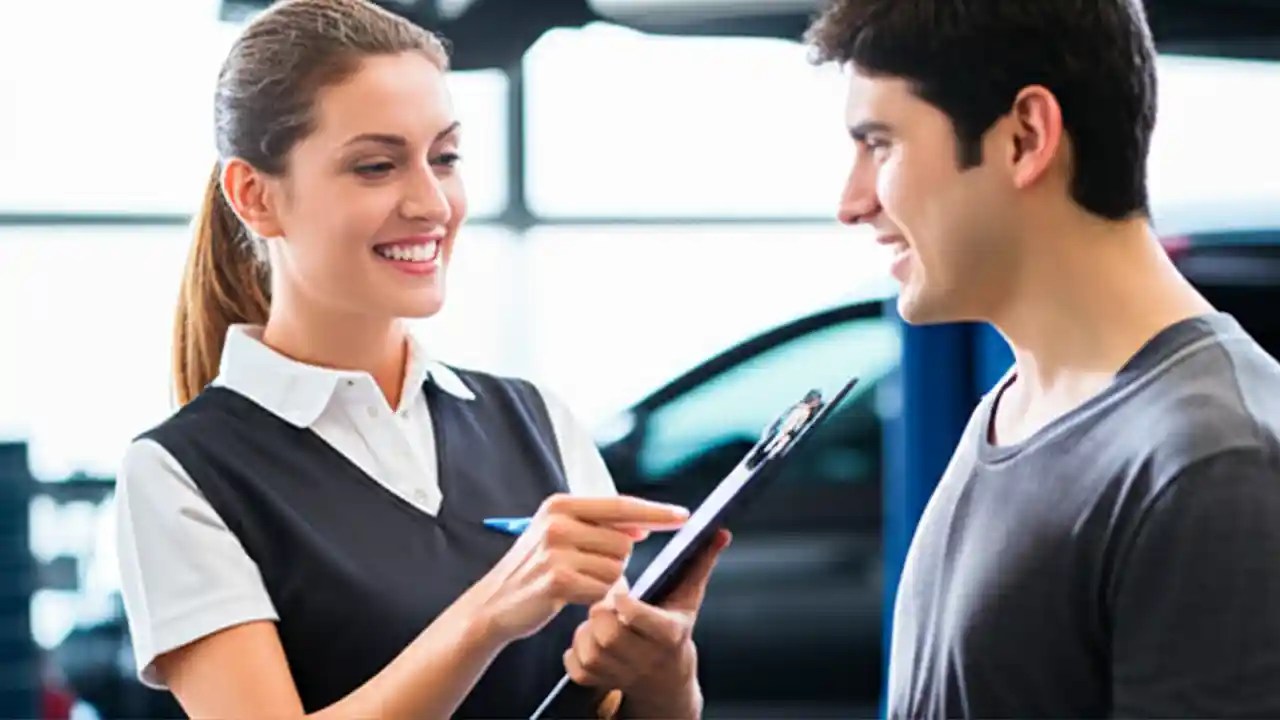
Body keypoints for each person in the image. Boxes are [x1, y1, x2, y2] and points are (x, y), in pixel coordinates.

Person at [113, 1, 729, 717]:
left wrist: (667, 672)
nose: (431, 203)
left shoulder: (536, 420)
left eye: (445, 158)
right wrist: (487, 614)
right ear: (255, 197)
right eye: (377, 166)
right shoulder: (181, 474)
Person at [804, 0, 1280, 717]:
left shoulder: (1214, 464)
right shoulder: (1016, 409)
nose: (852, 201)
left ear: (1025, 137)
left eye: (882, 145)